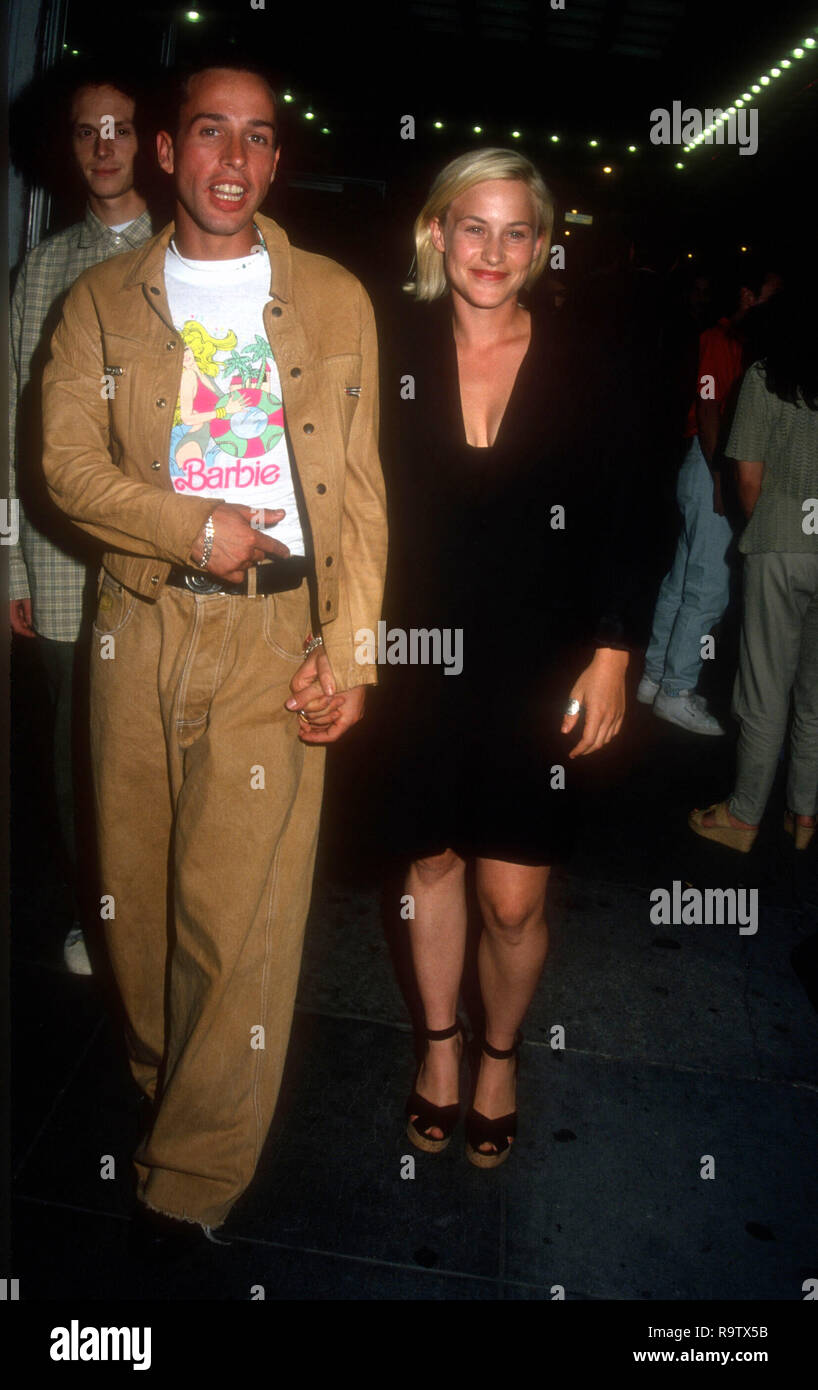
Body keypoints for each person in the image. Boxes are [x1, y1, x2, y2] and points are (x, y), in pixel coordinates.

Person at [40, 60, 387, 1250]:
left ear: (275, 161)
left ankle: (193, 1172)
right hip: (137, 622)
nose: (233, 162)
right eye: (209, 135)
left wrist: (353, 653)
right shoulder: (99, 303)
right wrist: (190, 524)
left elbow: (366, 497)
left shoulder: (334, 297)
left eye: (257, 139)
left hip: (272, 636)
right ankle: (160, 1072)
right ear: (165, 153)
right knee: (131, 902)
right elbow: (63, 465)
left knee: (235, 917)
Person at [375, 149, 637, 1167]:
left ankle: (499, 1049)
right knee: (431, 857)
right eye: (471, 226)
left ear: (540, 245)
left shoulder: (589, 357)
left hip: (540, 660)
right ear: (436, 232)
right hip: (413, 650)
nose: (492, 250)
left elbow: (626, 513)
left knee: (513, 894)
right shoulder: (387, 342)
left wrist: (613, 648)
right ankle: (439, 1047)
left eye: (514, 230)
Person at [9, 70, 153, 973]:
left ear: (150, 142)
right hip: (59, 558)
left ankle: (159, 906)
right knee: (77, 751)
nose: (104, 146)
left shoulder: (186, 253)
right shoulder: (44, 267)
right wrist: (5, 566)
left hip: (164, 547)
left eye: (123, 128)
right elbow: (6, 424)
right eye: (86, 131)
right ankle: (96, 915)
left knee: (156, 736)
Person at [689, 284, 818, 852]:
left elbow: (747, 479)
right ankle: (804, 814)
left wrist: (754, 529)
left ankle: (743, 817)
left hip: (779, 545)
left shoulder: (765, 378)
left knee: (766, 687)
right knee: (815, 696)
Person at [637, 261, 781, 735]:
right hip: (709, 465)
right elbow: (708, 402)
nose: (777, 301)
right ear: (747, 295)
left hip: (700, 465)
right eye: (770, 292)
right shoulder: (721, 341)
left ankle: (656, 677)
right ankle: (676, 691)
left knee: (682, 580)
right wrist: (721, 474)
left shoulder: (727, 340)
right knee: (709, 587)